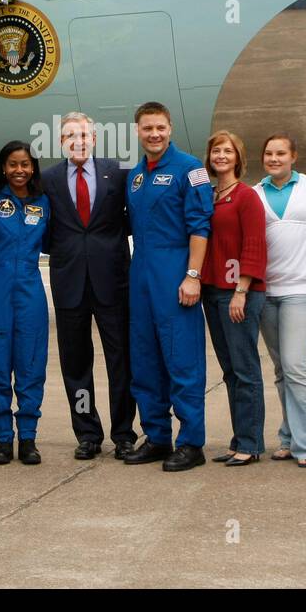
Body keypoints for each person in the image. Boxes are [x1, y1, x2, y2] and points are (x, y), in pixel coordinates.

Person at [123, 102, 214, 472]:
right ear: (138, 132)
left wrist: (193, 276)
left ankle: (191, 442)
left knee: (182, 359)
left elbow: (200, 227)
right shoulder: (136, 176)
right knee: (145, 359)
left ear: (170, 128)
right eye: (147, 129)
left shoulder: (190, 169)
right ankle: (157, 436)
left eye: (160, 127)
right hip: (141, 272)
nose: (154, 134)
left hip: (175, 271)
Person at [41, 112, 137, 461]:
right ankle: (87, 433)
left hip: (112, 280)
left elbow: (129, 219)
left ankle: (124, 432)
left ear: (94, 138)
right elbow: (43, 226)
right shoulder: (48, 179)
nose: (78, 141)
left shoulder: (116, 173)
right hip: (69, 284)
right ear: (61, 142)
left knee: (121, 361)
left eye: (83, 135)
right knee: (76, 363)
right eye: (70, 136)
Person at [0, 141, 51, 465]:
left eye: (25, 164)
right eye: (13, 164)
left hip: (31, 289)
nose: (19, 170)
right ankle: (3, 438)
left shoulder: (44, 203)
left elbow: (52, 243)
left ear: (33, 168)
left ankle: (28, 438)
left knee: (31, 363)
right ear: (3, 167)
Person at [254, 133, 306, 468]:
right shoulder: (255, 193)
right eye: (269, 153)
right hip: (267, 292)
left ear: (293, 156)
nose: (274, 158)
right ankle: (288, 436)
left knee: (297, 364)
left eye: (281, 153)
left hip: (304, 288)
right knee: (282, 369)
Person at [201, 131, 267, 466]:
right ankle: (239, 437)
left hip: (238, 293)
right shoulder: (211, 195)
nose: (221, 156)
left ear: (238, 157)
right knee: (229, 370)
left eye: (227, 151)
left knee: (245, 369)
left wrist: (241, 290)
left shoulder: (246, 197)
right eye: (216, 151)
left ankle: (252, 443)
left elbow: (254, 245)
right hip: (212, 291)